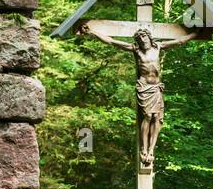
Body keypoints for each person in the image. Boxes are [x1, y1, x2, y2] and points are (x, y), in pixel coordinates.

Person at [77, 22, 199, 168]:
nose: (142, 40)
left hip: (155, 88)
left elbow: (179, 41)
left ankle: (151, 150)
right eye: (139, 38)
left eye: (144, 37)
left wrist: (195, 34)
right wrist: (91, 31)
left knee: (156, 118)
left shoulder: (158, 47)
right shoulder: (135, 50)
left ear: (149, 37)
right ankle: (143, 148)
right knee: (147, 116)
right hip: (144, 87)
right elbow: (111, 41)